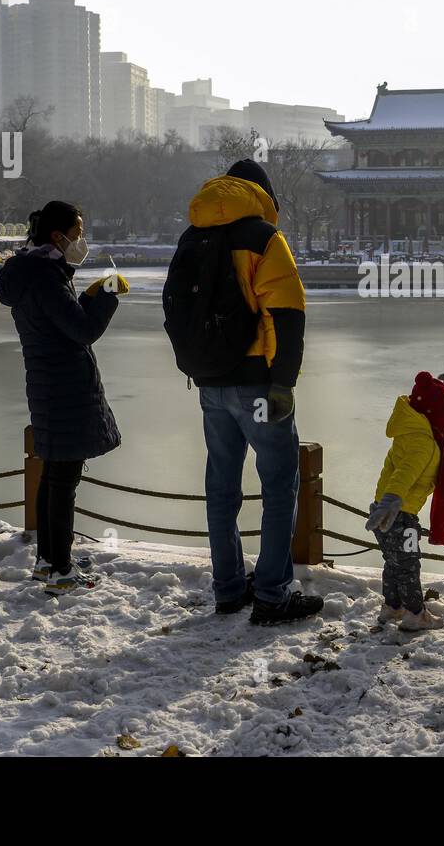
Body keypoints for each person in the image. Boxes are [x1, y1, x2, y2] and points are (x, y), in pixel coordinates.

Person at [166, 160, 317, 626]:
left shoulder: (192, 236)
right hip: (259, 384)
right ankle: (272, 593)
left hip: (210, 384)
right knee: (278, 485)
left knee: (221, 486)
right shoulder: (263, 239)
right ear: (262, 195)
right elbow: (287, 315)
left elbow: (174, 309)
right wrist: (284, 382)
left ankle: (229, 589)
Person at [0, 201, 128, 593]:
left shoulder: (34, 273)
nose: (81, 240)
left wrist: (86, 295)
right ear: (58, 236)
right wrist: (106, 295)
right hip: (65, 390)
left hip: (47, 387)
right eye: (78, 231)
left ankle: (48, 561)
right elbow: (83, 331)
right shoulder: (45, 279)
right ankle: (62, 570)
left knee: (53, 475)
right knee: (63, 480)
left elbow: (65, 324)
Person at [365, 365, 444, 632]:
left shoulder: (410, 434)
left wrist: (384, 503)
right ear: (436, 416)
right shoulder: (423, 442)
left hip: (385, 511)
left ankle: (393, 606)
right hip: (398, 513)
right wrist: (392, 501)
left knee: (394, 562)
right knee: (409, 565)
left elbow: (396, 471)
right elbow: (404, 474)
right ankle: (414, 613)